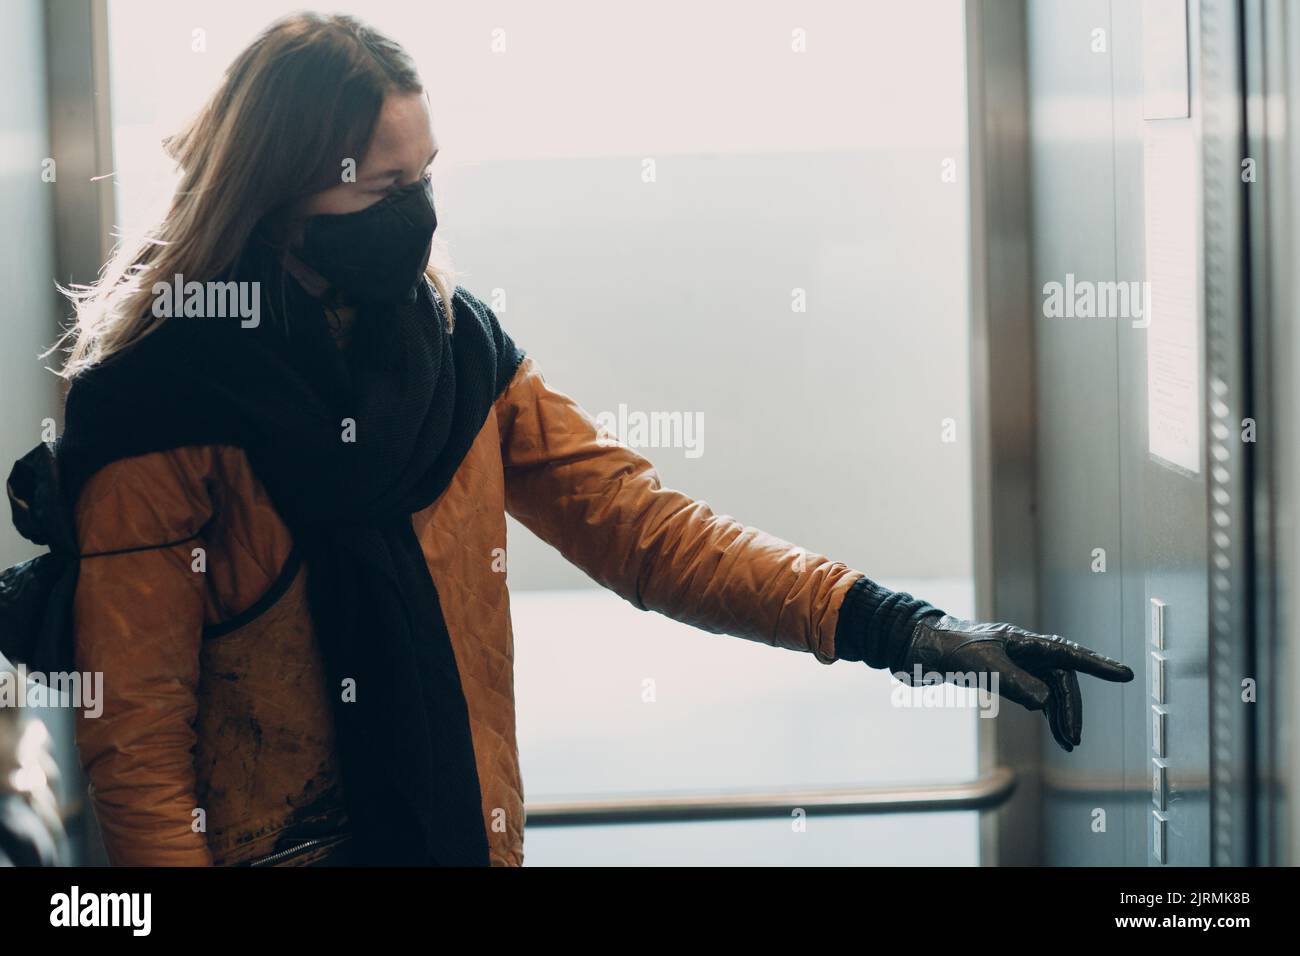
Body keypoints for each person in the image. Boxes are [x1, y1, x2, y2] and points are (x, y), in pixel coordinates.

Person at [51, 12, 1131, 867]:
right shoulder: (160, 406)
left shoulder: (456, 355)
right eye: (388, 188)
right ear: (287, 195)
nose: (421, 211)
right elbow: (137, 744)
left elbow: (645, 531)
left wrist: (907, 629)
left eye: (427, 175)